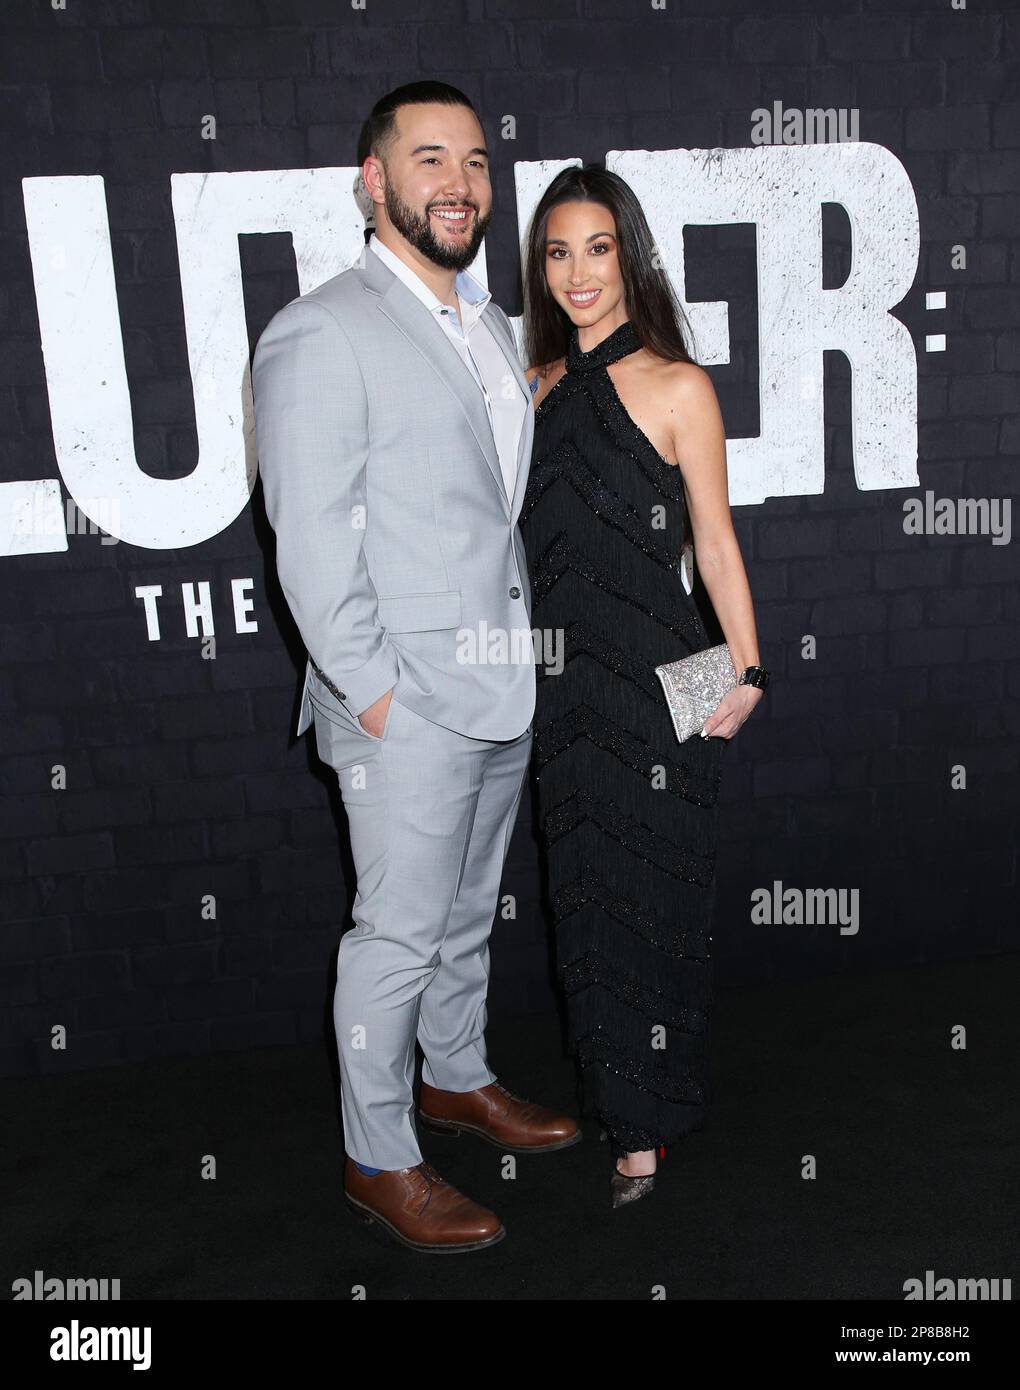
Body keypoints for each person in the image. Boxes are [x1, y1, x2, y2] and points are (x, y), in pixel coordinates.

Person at [251, 82, 579, 1256]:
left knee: (461, 921)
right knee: (394, 936)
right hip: (406, 705)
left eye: (478, 162)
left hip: (499, 686)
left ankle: (456, 1079)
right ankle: (380, 1154)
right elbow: (309, 533)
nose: (460, 183)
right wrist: (377, 695)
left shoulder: (489, 329)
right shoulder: (321, 329)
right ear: (373, 182)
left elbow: (474, 503)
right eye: (428, 159)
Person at [520, 165, 768, 1208]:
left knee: (656, 905)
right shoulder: (529, 390)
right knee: (589, 912)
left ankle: (649, 1122)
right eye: (558, 252)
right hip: (568, 694)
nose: (579, 273)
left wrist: (749, 667)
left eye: (599, 248)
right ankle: (630, 1113)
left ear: (631, 253)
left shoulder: (679, 387)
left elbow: (713, 540)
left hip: (667, 680)